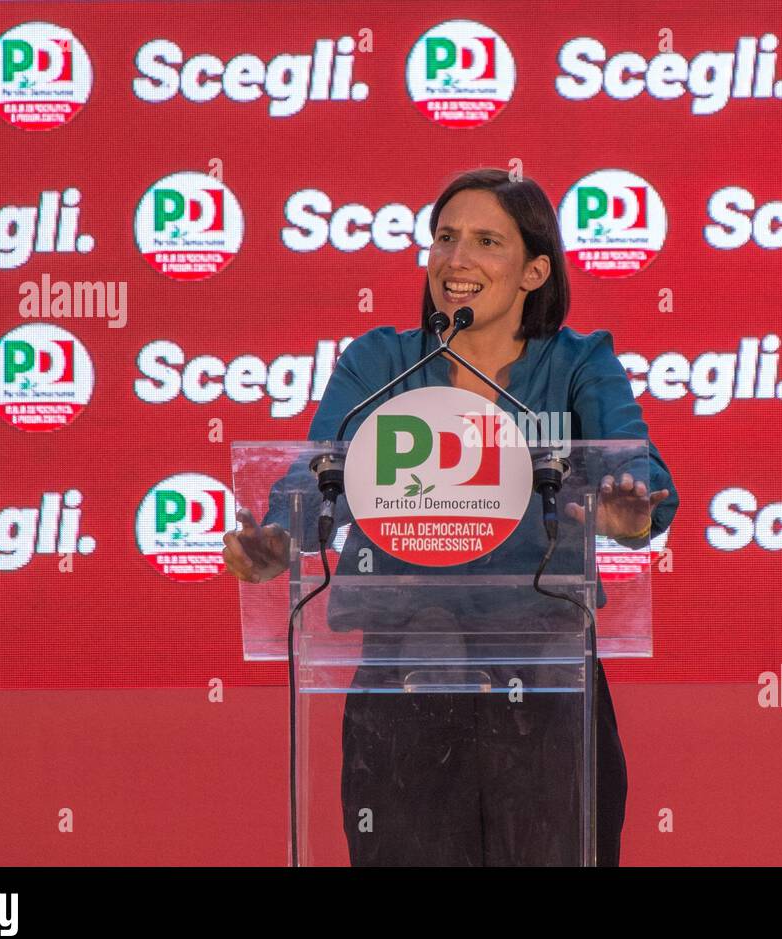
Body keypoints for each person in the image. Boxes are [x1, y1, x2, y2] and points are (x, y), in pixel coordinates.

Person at [222, 168, 679, 865]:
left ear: (534, 271)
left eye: (485, 241)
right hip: (406, 663)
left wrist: (626, 513)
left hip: (545, 667)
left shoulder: (579, 362)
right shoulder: (382, 363)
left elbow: (644, 481)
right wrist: (281, 535)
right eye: (445, 238)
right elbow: (314, 473)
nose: (456, 259)